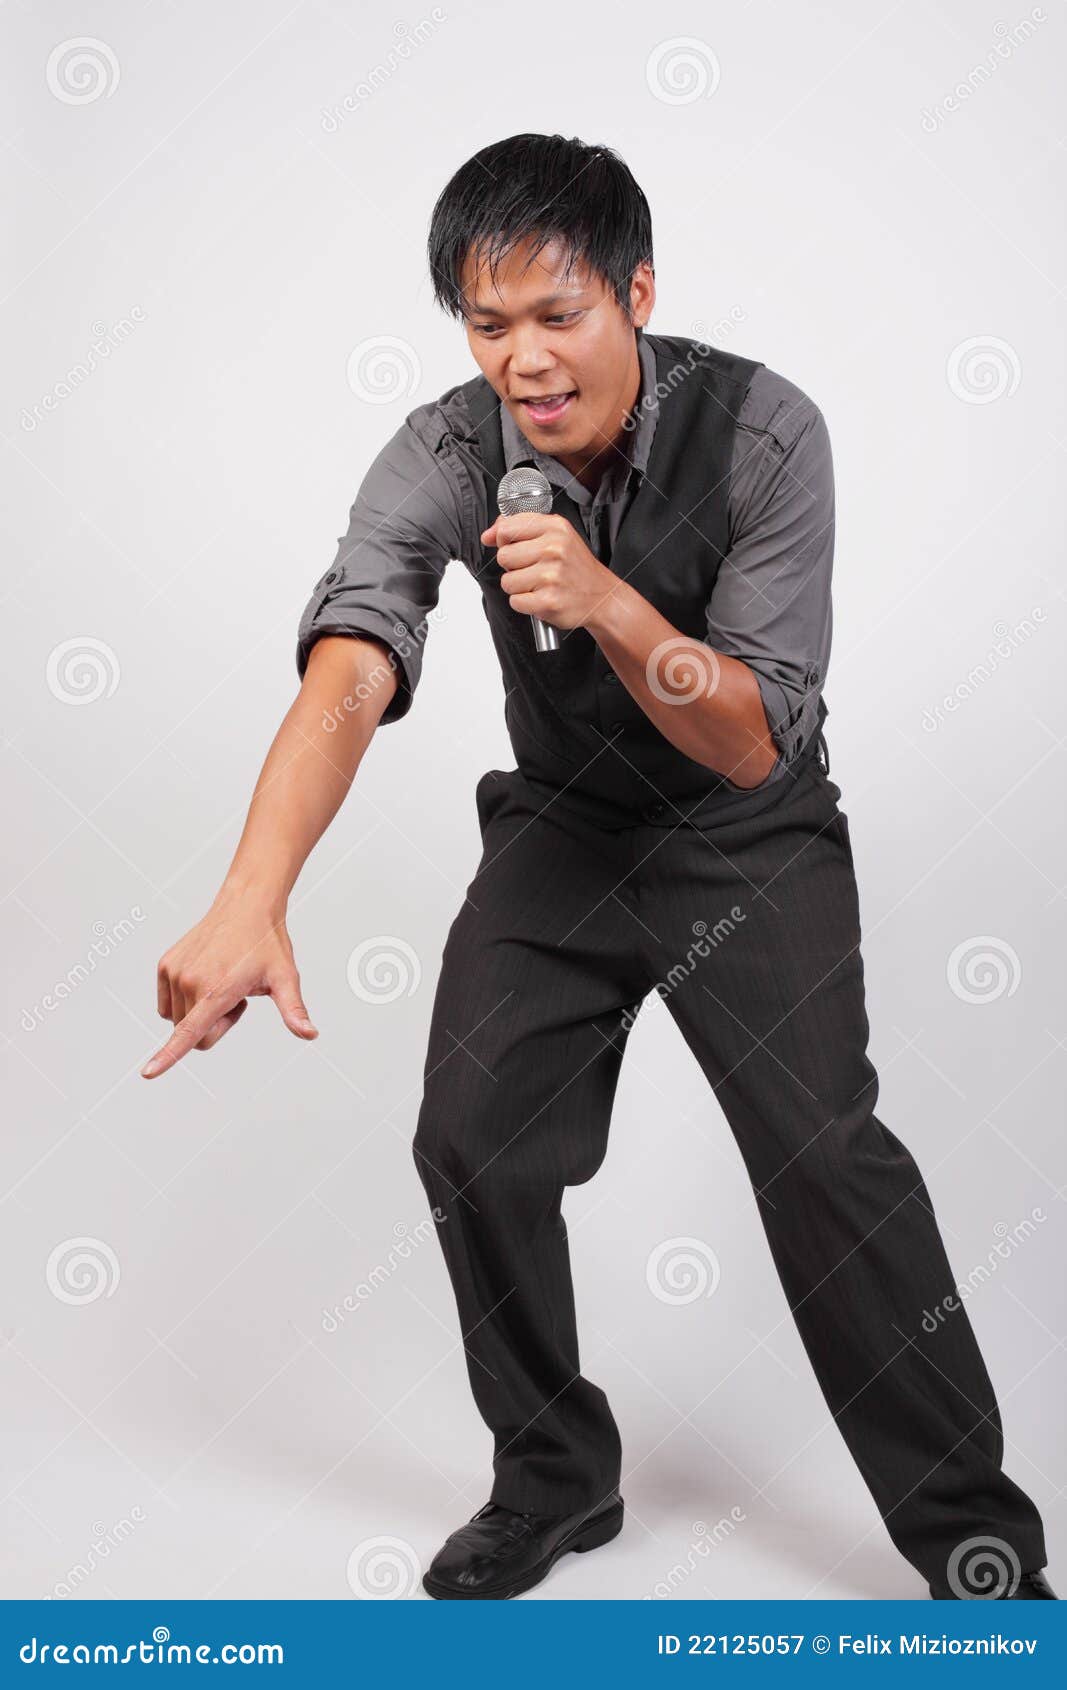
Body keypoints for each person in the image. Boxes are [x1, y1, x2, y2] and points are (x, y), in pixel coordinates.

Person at [142, 133, 1055, 1604]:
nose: (525, 359)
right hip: (565, 830)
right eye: (487, 323)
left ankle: (974, 1542)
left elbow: (751, 741)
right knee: (472, 1136)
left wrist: (613, 604)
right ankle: (555, 1472)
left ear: (637, 293)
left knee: (824, 1157)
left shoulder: (766, 434)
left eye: (558, 314)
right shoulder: (448, 451)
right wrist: (255, 892)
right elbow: (355, 660)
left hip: (746, 836)